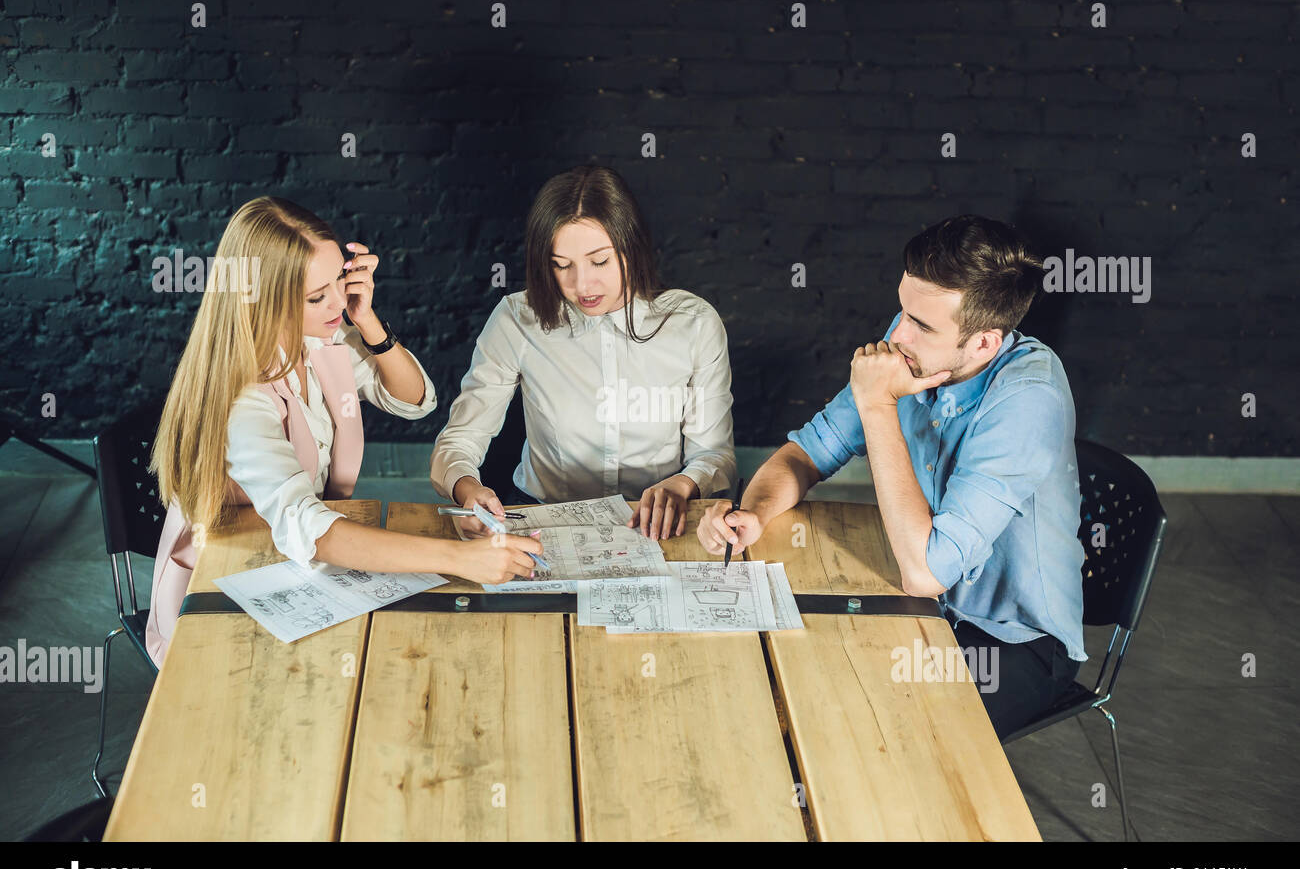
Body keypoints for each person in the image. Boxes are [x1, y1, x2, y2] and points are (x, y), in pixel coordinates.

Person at [697, 215, 1087, 738]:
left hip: (1011, 640)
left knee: (877, 732)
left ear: (984, 344)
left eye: (922, 325)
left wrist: (878, 404)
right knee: (781, 684)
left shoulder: (1028, 397)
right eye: (902, 311)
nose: (896, 336)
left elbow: (925, 573)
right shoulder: (914, 346)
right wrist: (754, 512)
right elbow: (808, 453)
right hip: (923, 603)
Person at [147, 197, 542, 667]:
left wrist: (367, 320)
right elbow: (305, 525)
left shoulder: (319, 339)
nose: (339, 300)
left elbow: (414, 400)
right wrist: (458, 560)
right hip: (220, 588)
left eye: (341, 278)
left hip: (286, 560)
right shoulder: (244, 398)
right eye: (318, 296)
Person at [430, 165, 737, 540]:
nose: (582, 284)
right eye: (562, 266)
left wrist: (683, 484)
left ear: (631, 246)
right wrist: (467, 489)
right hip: (543, 518)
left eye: (600, 261)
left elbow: (715, 455)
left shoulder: (694, 324)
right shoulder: (517, 319)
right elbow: (459, 438)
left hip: (655, 523)